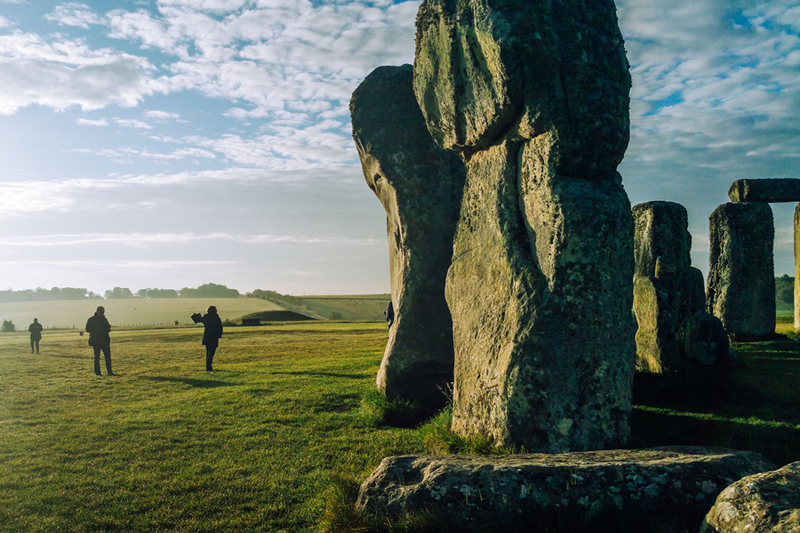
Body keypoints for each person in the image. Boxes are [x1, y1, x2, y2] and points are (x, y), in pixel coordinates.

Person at [191, 306, 223, 372]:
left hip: (207, 336)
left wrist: (196, 316)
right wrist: (219, 335)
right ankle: (209, 367)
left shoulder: (206, 317)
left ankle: (208, 366)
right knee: (211, 353)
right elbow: (220, 327)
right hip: (214, 337)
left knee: (208, 352)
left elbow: (200, 320)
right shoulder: (216, 317)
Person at [85, 306, 113, 376]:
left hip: (103, 340)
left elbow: (108, 329)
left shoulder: (102, 319)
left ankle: (109, 371)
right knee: (98, 357)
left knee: (106, 357)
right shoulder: (92, 320)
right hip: (97, 340)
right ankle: (99, 372)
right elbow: (87, 329)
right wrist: (97, 329)